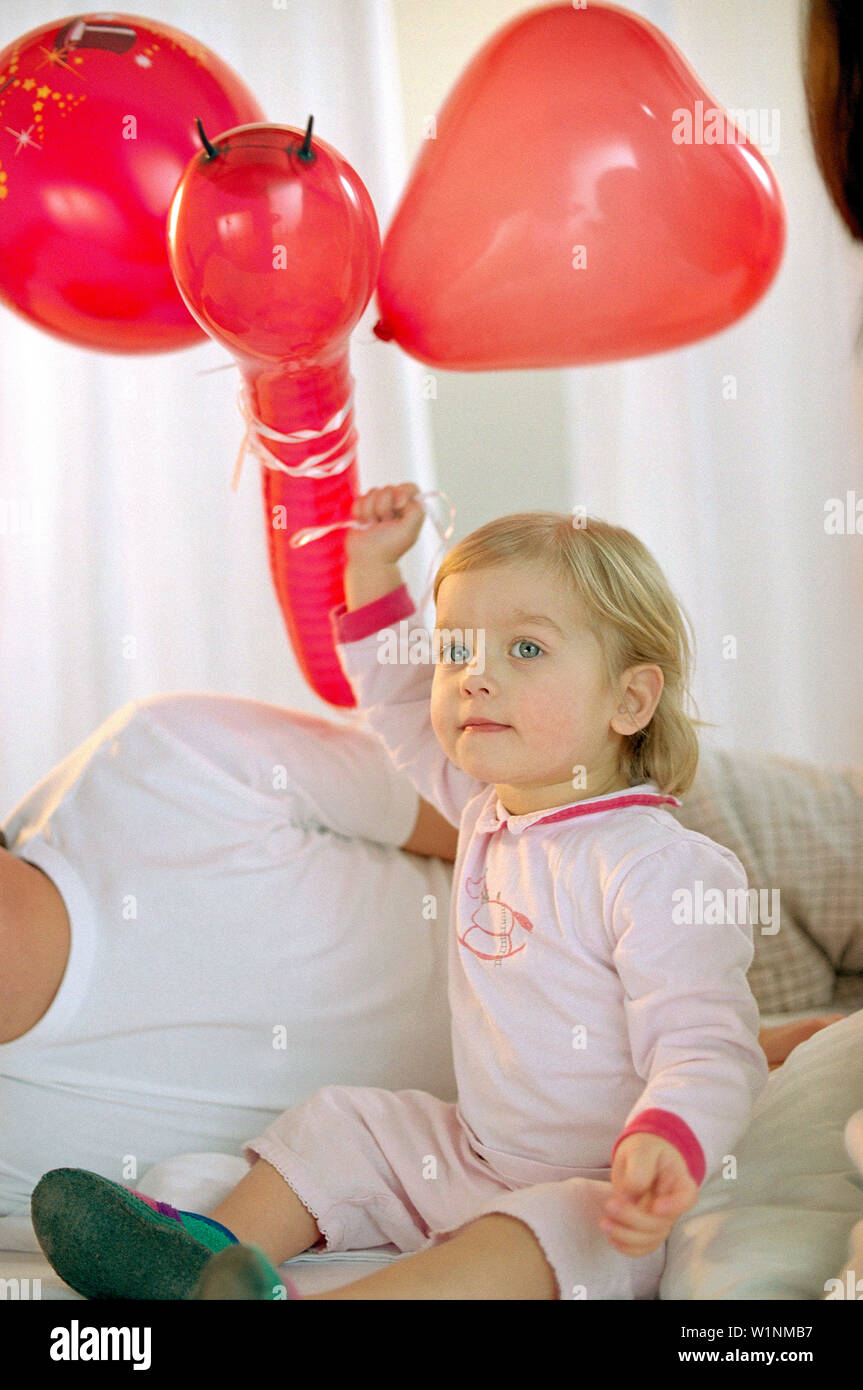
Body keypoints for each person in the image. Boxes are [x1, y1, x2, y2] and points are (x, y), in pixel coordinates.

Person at [32, 483, 791, 1301]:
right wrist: (369, 567)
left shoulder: (658, 866)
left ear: (629, 699)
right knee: (345, 1125)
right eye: (457, 650)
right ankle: (208, 1262)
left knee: (546, 1233)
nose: (474, 678)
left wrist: (667, 1143)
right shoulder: (487, 811)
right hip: (474, 1155)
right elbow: (398, 706)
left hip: (612, 1195)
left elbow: (707, 1046)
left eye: (525, 650)